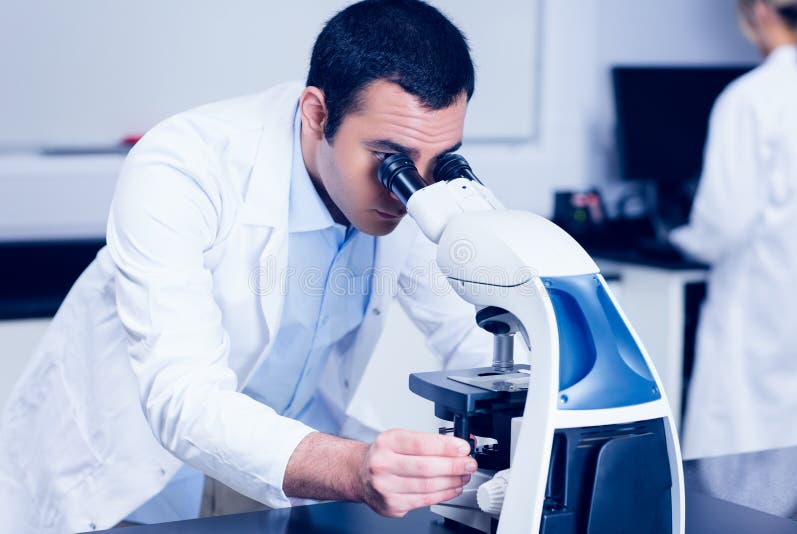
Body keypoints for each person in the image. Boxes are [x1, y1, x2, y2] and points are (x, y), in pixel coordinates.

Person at [0, 1, 495, 532]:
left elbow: (476, 339)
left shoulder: (411, 189)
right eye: (389, 159)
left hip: (276, 473)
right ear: (318, 113)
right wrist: (353, 467)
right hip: (127, 476)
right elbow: (185, 399)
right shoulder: (183, 167)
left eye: (437, 161)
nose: (412, 192)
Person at [670, 0, 797, 459]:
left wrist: (677, 238)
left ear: (761, 10)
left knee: (735, 455)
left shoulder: (752, 97)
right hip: (789, 301)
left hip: (760, 299)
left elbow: (722, 223)